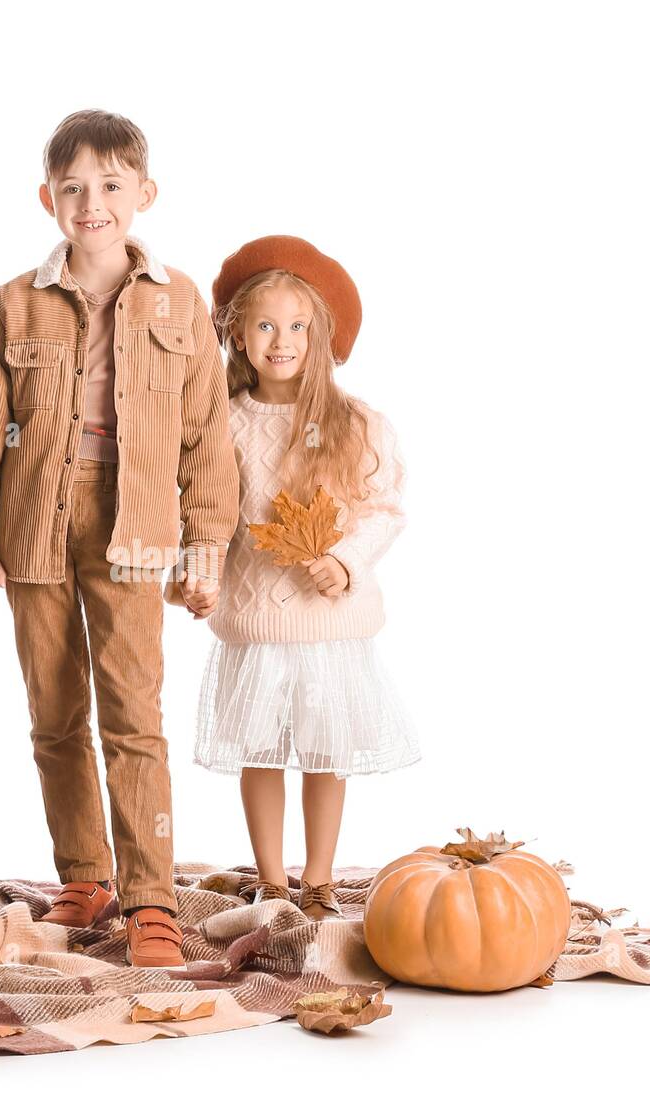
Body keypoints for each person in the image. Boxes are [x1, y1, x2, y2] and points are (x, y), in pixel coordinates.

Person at [0, 110, 239, 967]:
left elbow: (206, 439)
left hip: (136, 522)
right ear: (49, 199)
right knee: (55, 712)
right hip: (33, 520)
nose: (92, 202)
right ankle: (85, 873)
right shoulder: (12, 303)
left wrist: (205, 549)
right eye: (73, 187)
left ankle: (150, 894)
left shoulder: (181, 303)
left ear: (145, 194)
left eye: (111, 185)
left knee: (134, 712)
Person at [194, 236, 421, 919]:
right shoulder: (222, 421)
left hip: (327, 625)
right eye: (265, 324)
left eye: (298, 326)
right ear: (238, 331)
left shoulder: (355, 423)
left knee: (325, 750)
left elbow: (384, 508)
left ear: (323, 337)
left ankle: (317, 876)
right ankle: (271, 875)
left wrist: (346, 560)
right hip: (259, 622)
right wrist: (195, 569)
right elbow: (204, 506)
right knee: (260, 751)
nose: (281, 340)